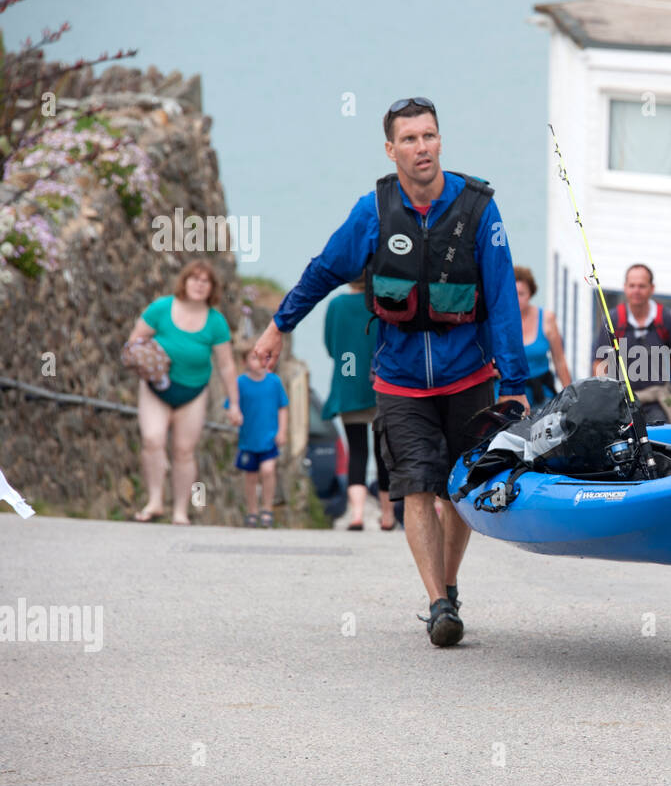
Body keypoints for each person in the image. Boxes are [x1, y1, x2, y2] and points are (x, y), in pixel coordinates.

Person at [253, 96, 529, 648]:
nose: (421, 148)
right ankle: (437, 604)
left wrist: (516, 384)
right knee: (415, 488)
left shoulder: (478, 209)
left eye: (428, 136)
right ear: (390, 149)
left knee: (457, 490)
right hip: (399, 379)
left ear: (440, 141)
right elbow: (324, 270)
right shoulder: (373, 212)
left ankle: (449, 586)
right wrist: (278, 325)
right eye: (409, 139)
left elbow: (501, 298)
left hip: (468, 375)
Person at [128, 260, 241, 525]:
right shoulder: (161, 308)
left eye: (205, 281)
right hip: (156, 386)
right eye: (194, 279)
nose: (199, 285)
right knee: (152, 439)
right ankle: (154, 501)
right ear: (184, 281)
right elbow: (134, 341)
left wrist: (234, 404)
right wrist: (147, 358)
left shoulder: (216, 322)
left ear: (212, 288)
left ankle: (180, 510)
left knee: (183, 450)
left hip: (193, 392)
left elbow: (226, 365)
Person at [323, 278, 396, 531]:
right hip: (380, 384)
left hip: (348, 384)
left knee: (357, 450)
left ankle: (356, 515)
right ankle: (387, 516)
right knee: (383, 451)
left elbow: (331, 347)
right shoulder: (380, 304)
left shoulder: (337, 305)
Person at [590, 264, 671, 423]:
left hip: (658, 400)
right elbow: (600, 364)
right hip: (622, 402)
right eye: (632, 285)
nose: (636, 291)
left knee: (660, 439)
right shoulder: (613, 319)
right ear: (625, 287)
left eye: (642, 286)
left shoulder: (665, 319)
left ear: (651, 288)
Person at [229, 345, 288, 528]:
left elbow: (283, 407)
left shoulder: (274, 382)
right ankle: (252, 511)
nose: (261, 363)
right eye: (255, 358)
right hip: (248, 440)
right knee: (251, 477)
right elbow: (231, 406)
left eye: (265, 358)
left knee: (268, 470)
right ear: (244, 362)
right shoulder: (239, 383)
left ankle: (267, 509)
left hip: (269, 438)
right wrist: (234, 414)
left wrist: (282, 431)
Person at [515, 265, 572, 407]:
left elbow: (559, 361)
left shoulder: (546, 318)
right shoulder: (499, 320)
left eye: (522, 294)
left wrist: (571, 397)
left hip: (541, 393)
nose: (517, 299)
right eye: (513, 293)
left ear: (530, 294)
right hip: (509, 392)